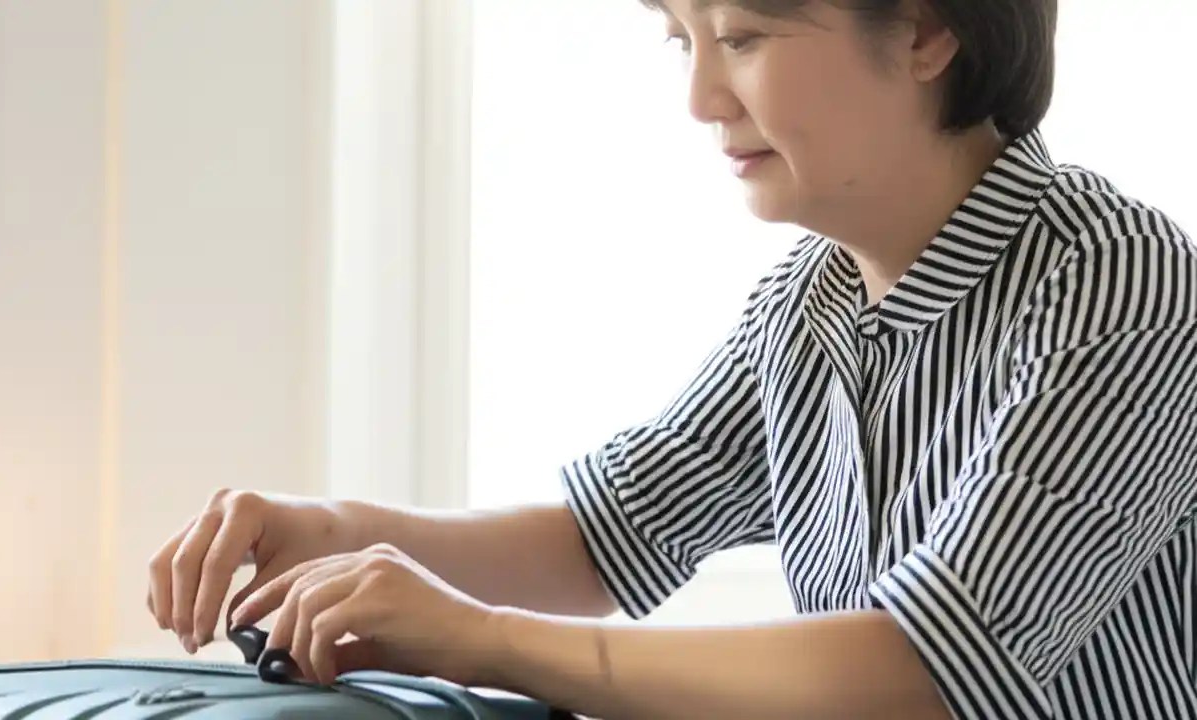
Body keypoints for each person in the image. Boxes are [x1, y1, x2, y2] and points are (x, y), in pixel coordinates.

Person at [147, 1, 1197, 718]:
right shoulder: (806, 300)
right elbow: (606, 539)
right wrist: (327, 533)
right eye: (677, 35)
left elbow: (916, 673)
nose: (700, 96)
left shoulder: (1119, 286)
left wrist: (477, 639)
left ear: (926, 28)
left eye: (739, 35)